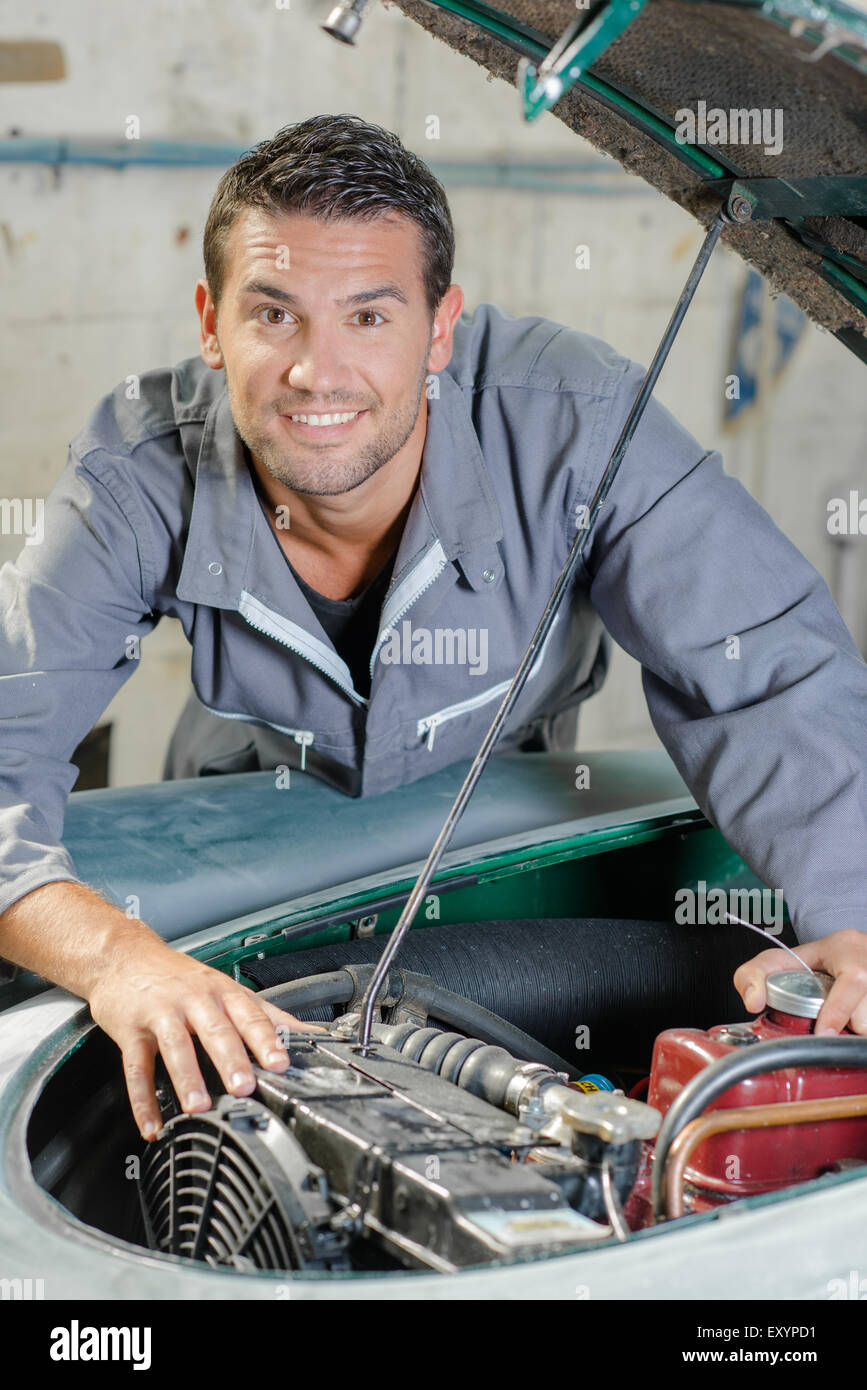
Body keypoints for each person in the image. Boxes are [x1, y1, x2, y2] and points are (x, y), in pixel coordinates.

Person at [1, 114, 865, 1142]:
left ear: (440, 327)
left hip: (500, 788)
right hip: (249, 789)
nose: (318, 372)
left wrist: (853, 914)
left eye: (369, 316)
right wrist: (122, 960)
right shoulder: (136, 471)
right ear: (210, 322)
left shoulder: (576, 423)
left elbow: (766, 669)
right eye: (274, 314)